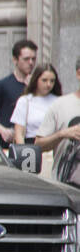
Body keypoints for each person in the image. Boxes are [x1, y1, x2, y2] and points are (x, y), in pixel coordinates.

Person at [0, 38, 38, 145]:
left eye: (33, 59)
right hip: (10, 146)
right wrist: (2, 130)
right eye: (26, 59)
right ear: (15, 60)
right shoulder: (3, 85)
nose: (31, 63)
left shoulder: (40, 85)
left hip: (35, 146)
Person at [35, 56, 80, 186]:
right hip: (64, 187)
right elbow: (38, 145)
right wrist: (62, 134)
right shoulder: (60, 105)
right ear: (78, 73)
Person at [11, 63, 60, 145]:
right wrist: (23, 153)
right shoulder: (25, 101)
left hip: (53, 147)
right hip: (31, 147)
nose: (49, 84)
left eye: (52, 81)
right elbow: (19, 133)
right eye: (44, 80)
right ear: (36, 80)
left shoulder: (58, 101)